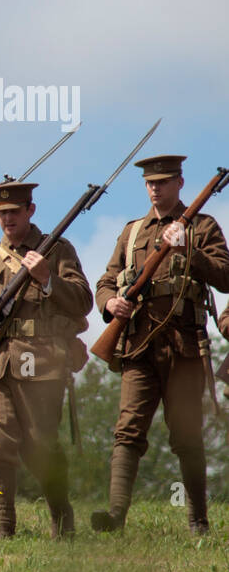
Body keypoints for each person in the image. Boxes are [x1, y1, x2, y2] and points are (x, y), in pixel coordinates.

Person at [92, 155, 229, 535]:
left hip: (184, 347)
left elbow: (226, 277)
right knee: (128, 431)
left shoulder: (202, 226)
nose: (156, 188)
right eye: (151, 183)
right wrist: (109, 303)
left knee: (187, 435)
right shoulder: (133, 232)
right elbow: (105, 281)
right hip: (138, 346)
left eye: (164, 182)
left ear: (180, 183)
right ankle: (116, 516)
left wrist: (189, 251)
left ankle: (198, 522)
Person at [0, 182, 90, 538]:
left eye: (14, 212)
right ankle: (3, 529)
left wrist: (47, 278)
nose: (8, 219)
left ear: (31, 210)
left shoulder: (57, 251)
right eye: (2, 214)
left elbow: (83, 302)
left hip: (41, 362)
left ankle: (62, 518)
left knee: (41, 446)